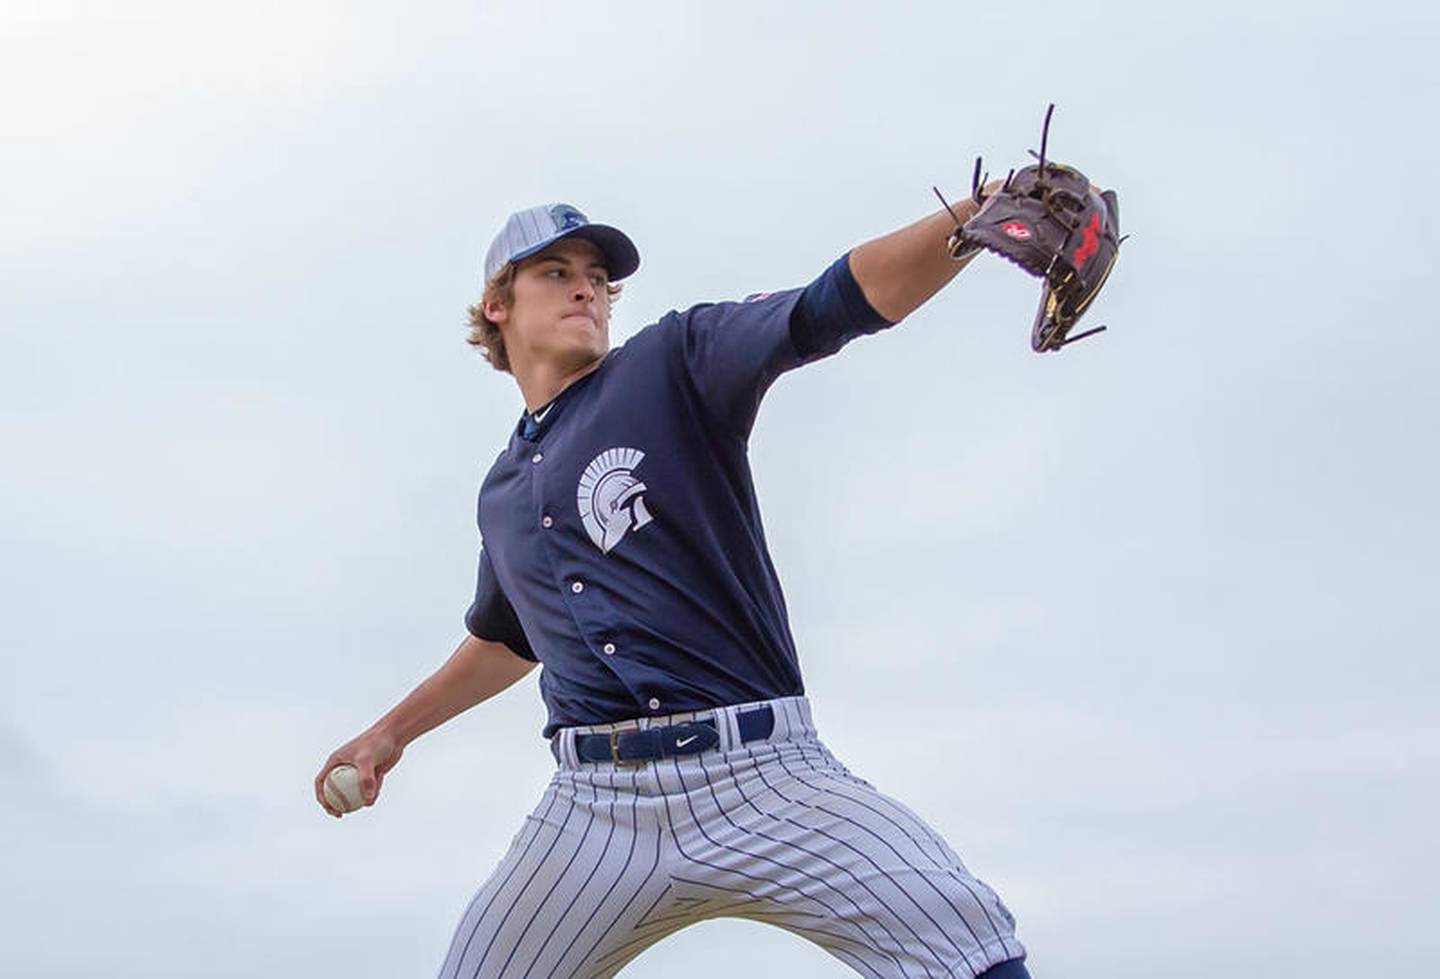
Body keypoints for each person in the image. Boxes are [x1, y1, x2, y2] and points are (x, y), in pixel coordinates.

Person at [316, 196, 1033, 979]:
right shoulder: (502, 491)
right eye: (556, 273)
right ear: (497, 305)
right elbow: (506, 639)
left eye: (597, 277)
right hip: (595, 808)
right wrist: (390, 733)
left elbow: (824, 306)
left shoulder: (673, 361)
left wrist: (973, 216)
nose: (586, 289)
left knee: (967, 945)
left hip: (763, 774)